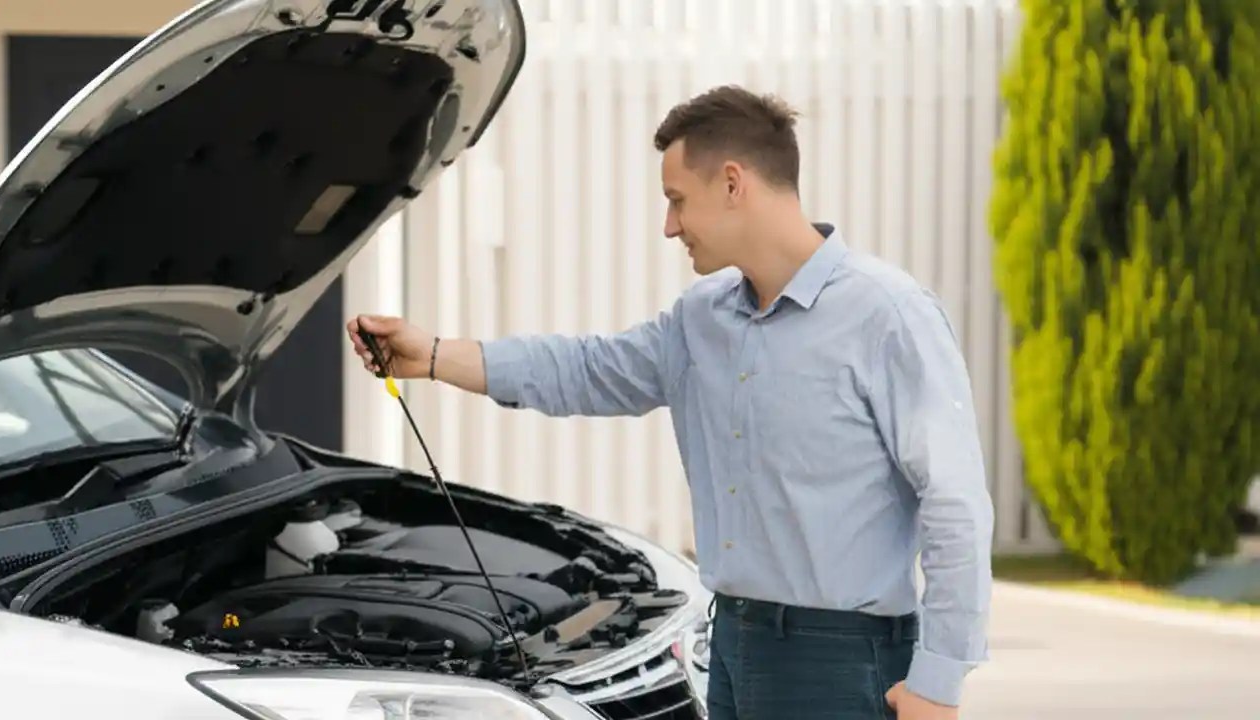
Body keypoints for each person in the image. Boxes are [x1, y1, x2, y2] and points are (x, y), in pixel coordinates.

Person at [347, 85, 993, 720]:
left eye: (677, 200)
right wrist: (430, 355)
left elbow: (955, 502)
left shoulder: (888, 316)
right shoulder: (700, 321)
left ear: (734, 184)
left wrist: (938, 681)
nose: (669, 226)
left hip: (843, 664)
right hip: (734, 647)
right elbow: (585, 369)